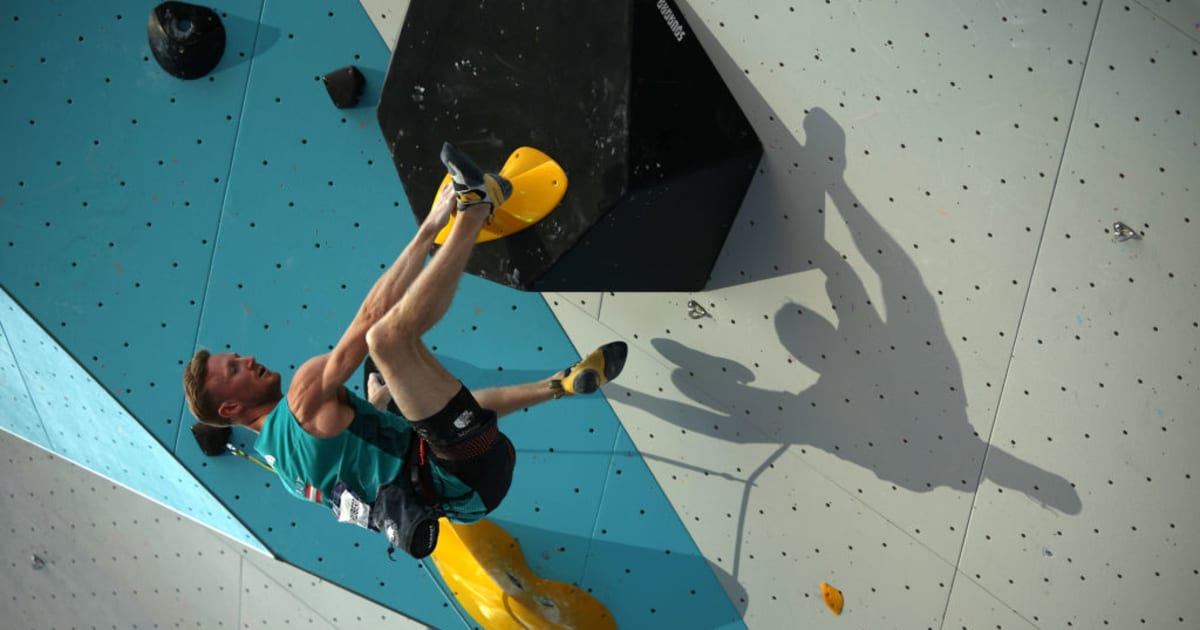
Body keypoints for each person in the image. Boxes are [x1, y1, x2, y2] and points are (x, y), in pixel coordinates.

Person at [183, 142, 627, 556]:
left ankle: (560, 384)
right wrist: (431, 228)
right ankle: (477, 206)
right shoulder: (301, 398)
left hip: (471, 495)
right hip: (460, 468)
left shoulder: (291, 479)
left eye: (237, 356)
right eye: (235, 368)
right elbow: (370, 317)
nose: (249, 359)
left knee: (418, 409)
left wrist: (378, 399)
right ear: (230, 408)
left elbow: (374, 461)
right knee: (384, 340)